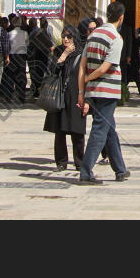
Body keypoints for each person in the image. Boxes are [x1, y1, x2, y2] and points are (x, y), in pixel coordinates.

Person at [75, 1, 130, 185]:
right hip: (106, 91)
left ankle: (120, 169)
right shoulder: (116, 38)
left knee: (109, 130)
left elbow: (82, 65)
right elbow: (106, 67)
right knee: (100, 130)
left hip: (92, 92)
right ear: (121, 18)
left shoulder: (93, 35)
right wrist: (89, 79)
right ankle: (86, 171)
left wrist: (82, 90)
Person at [43, 26, 87, 171]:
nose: (66, 39)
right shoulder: (58, 51)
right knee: (59, 130)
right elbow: (52, 71)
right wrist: (63, 55)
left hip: (76, 94)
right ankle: (61, 162)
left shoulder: (81, 53)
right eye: (64, 36)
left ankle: (80, 162)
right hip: (60, 94)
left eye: (69, 36)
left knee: (77, 130)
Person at [28, 19, 54, 100]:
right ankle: (43, 91)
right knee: (45, 73)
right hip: (44, 56)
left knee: (38, 74)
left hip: (37, 56)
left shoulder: (35, 32)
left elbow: (30, 44)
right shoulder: (45, 33)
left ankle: (38, 91)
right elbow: (51, 46)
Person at [6, 15, 29, 102]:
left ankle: (8, 96)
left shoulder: (9, 33)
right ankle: (21, 96)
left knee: (10, 76)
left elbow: (7, 45)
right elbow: (27, 44)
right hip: (22, 56)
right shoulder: (25, 33)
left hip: (12, 56)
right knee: (21, 76)